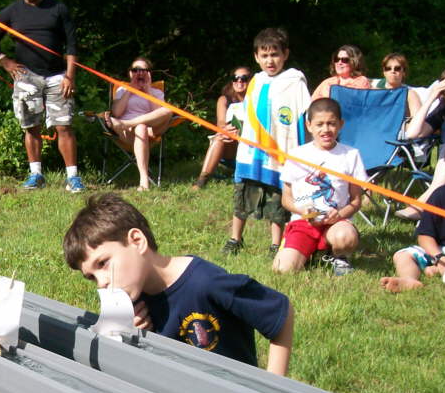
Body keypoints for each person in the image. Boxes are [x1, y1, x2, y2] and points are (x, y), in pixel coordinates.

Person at [64, 194, 293, 375]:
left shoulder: (205, 283)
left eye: (103, 263)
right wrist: (132, 338)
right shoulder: (132, 303)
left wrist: (272, 386)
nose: (101, 283)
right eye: (92, 277)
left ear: (137, 241)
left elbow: (280, 312)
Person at [0, 0, 84, 193]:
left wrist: (70, 76)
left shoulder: (58, 8)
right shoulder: (11, 12)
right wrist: (4, 61)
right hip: (26, 76)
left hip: (58, 76)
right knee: (31, 126)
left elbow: (72, 44)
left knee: (64, 126)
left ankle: (73, 178)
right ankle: (36, 174)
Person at [224, 28, 311, 256]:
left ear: (285, 54)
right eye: (264, 55)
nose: (270, 60)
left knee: (276, 197)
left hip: (279, 150)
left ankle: (276, 243)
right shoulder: (256, 81)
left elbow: (304, 115)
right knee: (243, 194)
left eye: (275, 54)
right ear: (256, 57)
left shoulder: (294, 81)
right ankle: (235, 239)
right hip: (252, 151)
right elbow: (247, 113)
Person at [272, 98, 367, 276]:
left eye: (331, 124)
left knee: (345, 238)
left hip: (336, 223)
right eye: (319, 124)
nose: (325, 130)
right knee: (282, 269)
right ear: (309, 126)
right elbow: (286, 199)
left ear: (341, 124)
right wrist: (303, 211)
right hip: (303, 222)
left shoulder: (351, 155)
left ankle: (338, 255)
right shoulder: (296, 154)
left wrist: (339, 214)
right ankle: (309, 251)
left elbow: (356, 201)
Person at [381, 136, 445, 292]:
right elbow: (425, 235)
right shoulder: (440, 195)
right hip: (442, 250)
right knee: (402, 255)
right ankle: (409, 280)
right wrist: (439, 257)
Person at [394, 66, 445, 221]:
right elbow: (412, 133)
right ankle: (423, 204)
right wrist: (432, 97)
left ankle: (420, 206)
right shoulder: (443, 112)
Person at [104, 57, 173, 191]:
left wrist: (147, 91)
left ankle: (129, 123)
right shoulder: (122, 90)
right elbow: (117, 113)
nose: (139, 73)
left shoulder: (156, 92)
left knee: (168, 109)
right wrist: (131, 90)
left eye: (143, 70)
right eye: (135, 70)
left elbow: (158, 113)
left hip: (150, 131)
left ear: (149, 73)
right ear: (130, 73)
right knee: (140, 128)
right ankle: (144, 180)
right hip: (127, 133)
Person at [192, 66, 251, 190]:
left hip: (251, 145)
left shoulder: (256, 100)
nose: (239, 81)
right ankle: (201, 181)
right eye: (235, 78)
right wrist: (229, 129)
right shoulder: (224, 100)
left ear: (250, 81)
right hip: (231, 143)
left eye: (244, 78)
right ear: (232, 81)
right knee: (220, 137)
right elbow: (221, 123)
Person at [372, 53, 422, 118]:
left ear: (403, 72)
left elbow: (418, 119)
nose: (392, 71)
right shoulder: (374, 92)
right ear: (384, 72)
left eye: (397, 68)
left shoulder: (409, 94)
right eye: (388, 68)